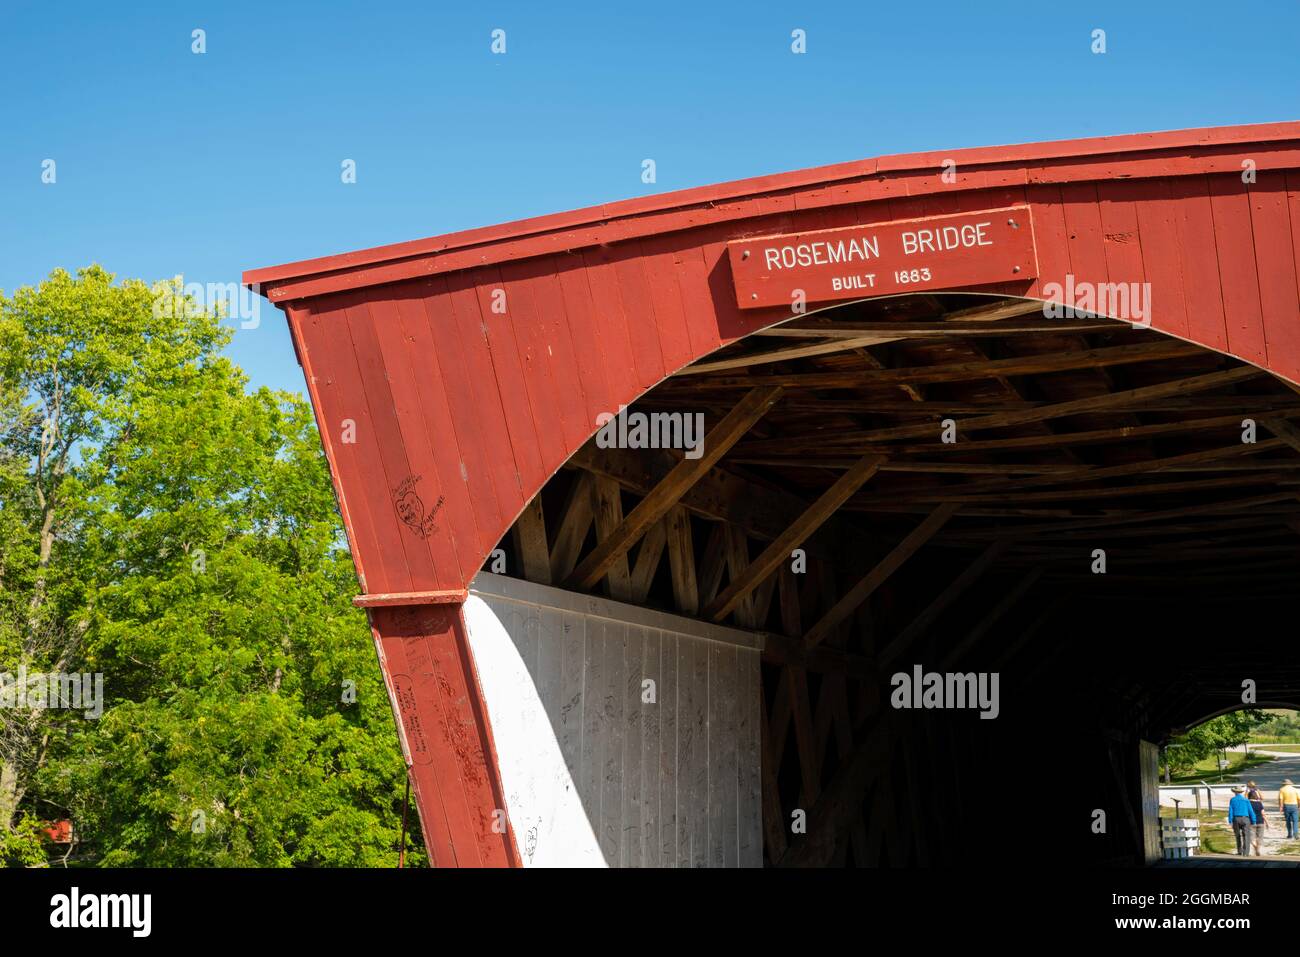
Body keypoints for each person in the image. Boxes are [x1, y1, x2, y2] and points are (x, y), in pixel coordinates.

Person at [1228, 785, 1257, 856]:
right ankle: (1246, 853)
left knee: (1237, 835)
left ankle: (1239, 851)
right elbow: (1251, 811)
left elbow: (1230, 810)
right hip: (1245, 818)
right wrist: (1254, 821)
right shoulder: (1246, 800)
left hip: (1236, 818)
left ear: (1234, 792)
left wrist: (1230, 820)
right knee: (1246, 836)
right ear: (1241, 792)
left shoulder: (1232, 800)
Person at [1246, 781, 1267, 855]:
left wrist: (1246, 793)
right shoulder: (1257, 791)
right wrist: (1267, 822)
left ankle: (1255, 847)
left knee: (1251, 837)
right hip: (1260, 819)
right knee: (1260, 836)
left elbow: (1245, 799)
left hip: (1251, 821)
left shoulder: (1248, 793)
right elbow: (1262, 798)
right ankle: (1258, 848)